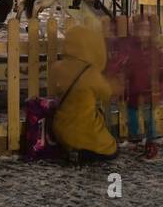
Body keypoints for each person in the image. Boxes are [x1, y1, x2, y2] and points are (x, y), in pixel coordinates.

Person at [50, 22, 117, 163]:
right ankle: (81, 155)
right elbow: (107, 93)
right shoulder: (90, 73)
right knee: (110, 148)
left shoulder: (58, 67)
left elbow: (55, 90)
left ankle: (69, 149)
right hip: (83, 129)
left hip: (60, 126)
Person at [121, 13, 163, 159]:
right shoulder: (131, 48)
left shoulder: (154, 50)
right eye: (139, 29)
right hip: (133, 89)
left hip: (149, 89)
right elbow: (125, 66)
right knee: (132, 114)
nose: (142, 33)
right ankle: (134, 138)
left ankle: (151, 140)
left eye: (145, 29)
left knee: (148, 116)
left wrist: (161, 88)